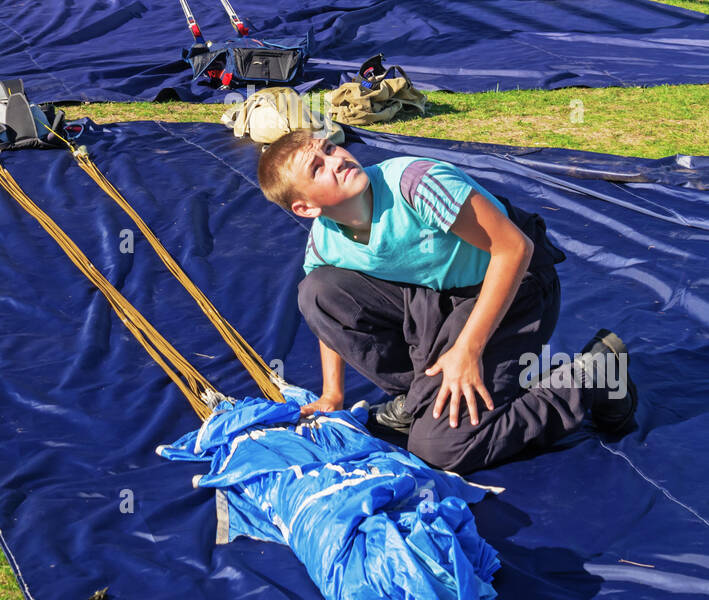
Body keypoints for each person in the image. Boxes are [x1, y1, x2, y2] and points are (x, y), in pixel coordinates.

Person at [257, 130, 637, 476]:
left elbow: (515, 248)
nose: (338, 159)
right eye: (318, 166)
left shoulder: (417, 183)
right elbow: (325, 313)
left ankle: (592, 376)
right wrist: (332, 394)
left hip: (514, 285)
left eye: (329, 147)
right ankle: (426, 397)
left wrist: (468, 351)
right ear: (305, 208)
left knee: (440, 449)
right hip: (440, 299)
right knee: (316, 291)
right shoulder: (325, 241)